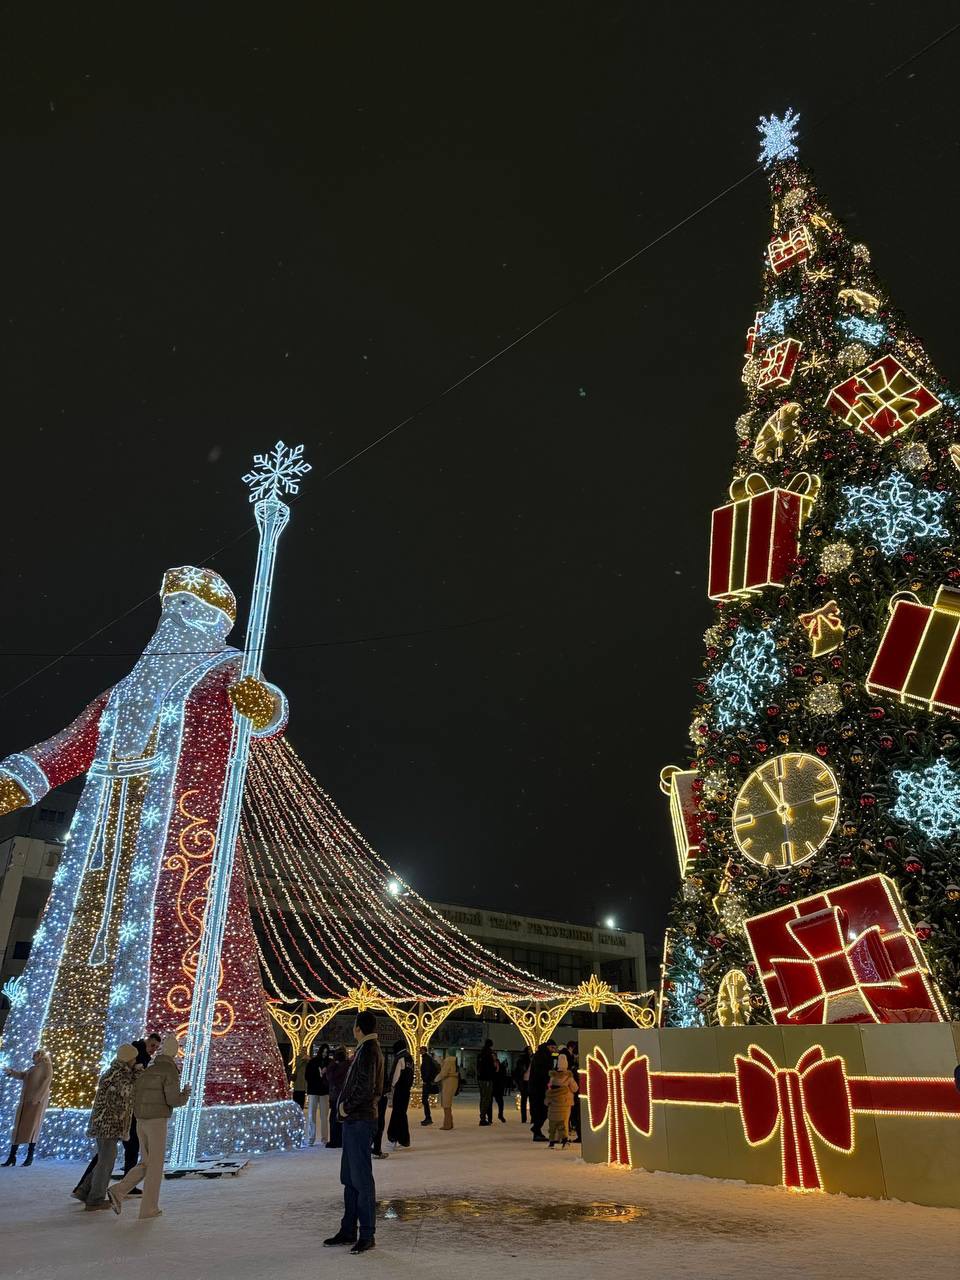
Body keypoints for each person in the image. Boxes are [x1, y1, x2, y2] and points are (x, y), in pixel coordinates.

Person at [108, 1034, 190, 1219]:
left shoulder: (149, 1069)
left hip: (141, 1121)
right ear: (175, 1052)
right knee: (155, 1166)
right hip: (156, 1122)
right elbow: (173, 1100)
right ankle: (149, 1208)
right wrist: (185, 1094)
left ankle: (119, 1191)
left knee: (146, 1162)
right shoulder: (169, 1070)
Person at [323, 1011, 384, 1256]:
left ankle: (366, 1233)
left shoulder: (369, 1050)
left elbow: (366, 1088)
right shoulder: (365, 1049)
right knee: (349, 1178)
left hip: (359, 1120)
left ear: (358, 1027)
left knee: (360, 1179)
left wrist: (345, 1106)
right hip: (355, 1121)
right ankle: (348, 1229)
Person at [74, 1044, 141, 1211]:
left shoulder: (117, 1073)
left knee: (103, 1160)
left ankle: (84, 1191)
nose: (135, 1061)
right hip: (109, 1125)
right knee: (106, 1162)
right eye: (133, 1058)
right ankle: (95, 1199)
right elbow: (129, 1093)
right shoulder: (118, 1075)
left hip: (107, 1124)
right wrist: (139, 1075)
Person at [2, 1049, 52, 1167]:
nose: (32, 1058)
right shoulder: (33, 1068)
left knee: (32, 1129)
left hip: (36, 1103)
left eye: (34, 1055)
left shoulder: (47, 1066)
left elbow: (46, 1082)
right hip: (25, 1101)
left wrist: (38, 1098)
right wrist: (11, 1072)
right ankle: (12, 1157)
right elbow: (23, 1075)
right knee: (18, 1129)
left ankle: (29, 1157)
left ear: (40, 1056)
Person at [546, 1056, 579, 1148]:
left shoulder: (553, 1076)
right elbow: (575, 1088)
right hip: (565, 1102)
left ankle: (554, 1138)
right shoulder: (568, 1077)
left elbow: (549, 1087)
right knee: (564, 1121)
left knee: (554, 1120)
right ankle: (564, 1138)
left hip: (554, 1102)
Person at [386, 1041, 414, 1150]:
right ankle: (403, 1139)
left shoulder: (400, 1058)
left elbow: (396, 1076)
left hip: (399, 1089)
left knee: (398, 1113)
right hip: (406, 1089)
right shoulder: (409, 1058)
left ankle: (396, 1138)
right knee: (402, 1113)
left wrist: (391, 1086)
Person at [528, 1039, 555, 1142]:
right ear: (548, 1047)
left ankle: (537, 1130)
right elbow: (544, 1073)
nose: (554, 1050)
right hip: (539, 1088)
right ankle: (536, 1129)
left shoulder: (539, 1054)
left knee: (540, 1110)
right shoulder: (544, 1056)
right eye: (552, 1047)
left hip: (536, 1087)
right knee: (543, 1110)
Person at [305, 1043, 330, 1147]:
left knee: (323, 1116)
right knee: (312, 1115)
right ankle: (312, 1137)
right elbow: (307, 1075)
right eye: (323, 1052)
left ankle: (323, 1138)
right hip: (315, 1091)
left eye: (326, 1052)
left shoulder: (328, 1063)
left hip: (322, 1091)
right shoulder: (313, 1062)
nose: (324, 1054)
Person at [325, 1047, 350, 1149]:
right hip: (344, 1095)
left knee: (334, 1119)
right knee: (342, 1118)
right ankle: (341, 1139)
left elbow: (330, 1078)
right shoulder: (348, 1066)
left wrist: (332, 1065)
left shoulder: (338, 1067)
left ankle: (335, 1141)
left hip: (337, 1096)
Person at [476, 1039, 496, 1126]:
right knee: (487, 1098)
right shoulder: (489, 1054)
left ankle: (483, 1116)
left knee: (483, 1098)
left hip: (481, 1079)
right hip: (487, 1079)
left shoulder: (480, 1054)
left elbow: (478, 1067)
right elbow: (492, 1067)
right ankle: (483, 1118)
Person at [565, 1040, 581, 1143]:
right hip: (577, 1095)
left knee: (576, 1116)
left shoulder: (573, 1069)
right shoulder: (574, 1069)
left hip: (575, 1097)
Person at [438, 1051, 459, 1130]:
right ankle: (450, 1123)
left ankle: (447, 1124)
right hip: (453, 1082)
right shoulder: (454, 1060)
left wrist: (435, 1079)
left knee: (446, 1104)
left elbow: (444, 1073)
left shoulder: (449, 1060)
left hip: (448, 1083)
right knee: (448, 1104)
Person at [420, 1048, 439, 1126]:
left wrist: (425, 1080)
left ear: (424, 1051)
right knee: (424, 1100)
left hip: (427, 1083)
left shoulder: (426, 1059)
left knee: (424, 1100)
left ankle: (428, 1117)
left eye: (421, 1050)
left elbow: (427, 1070)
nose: (420, 1052)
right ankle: (428, 1117)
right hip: (428, 1082)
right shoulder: (428, 1058)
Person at [513, 1048, 531, 1124]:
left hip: (525, 1082)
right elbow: (521, 1070)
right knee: (529, 1100)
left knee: (525, 1100)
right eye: (529, 1050)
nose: (530, 1051)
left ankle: (524, 1118)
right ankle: (527, 1118)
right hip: (526, 1081)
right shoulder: (525, 1060)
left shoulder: (524, 1060)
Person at [491, 1054, 506, 1123]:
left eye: (494, 1056)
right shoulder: (489, 1065)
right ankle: (489, 1117)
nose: (493, 1057)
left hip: (499, 1086)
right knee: (489, 1102)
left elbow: (503, 1075)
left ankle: (500, 1115)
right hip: (492, 1085)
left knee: (500, 1102)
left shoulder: (501, 1065)